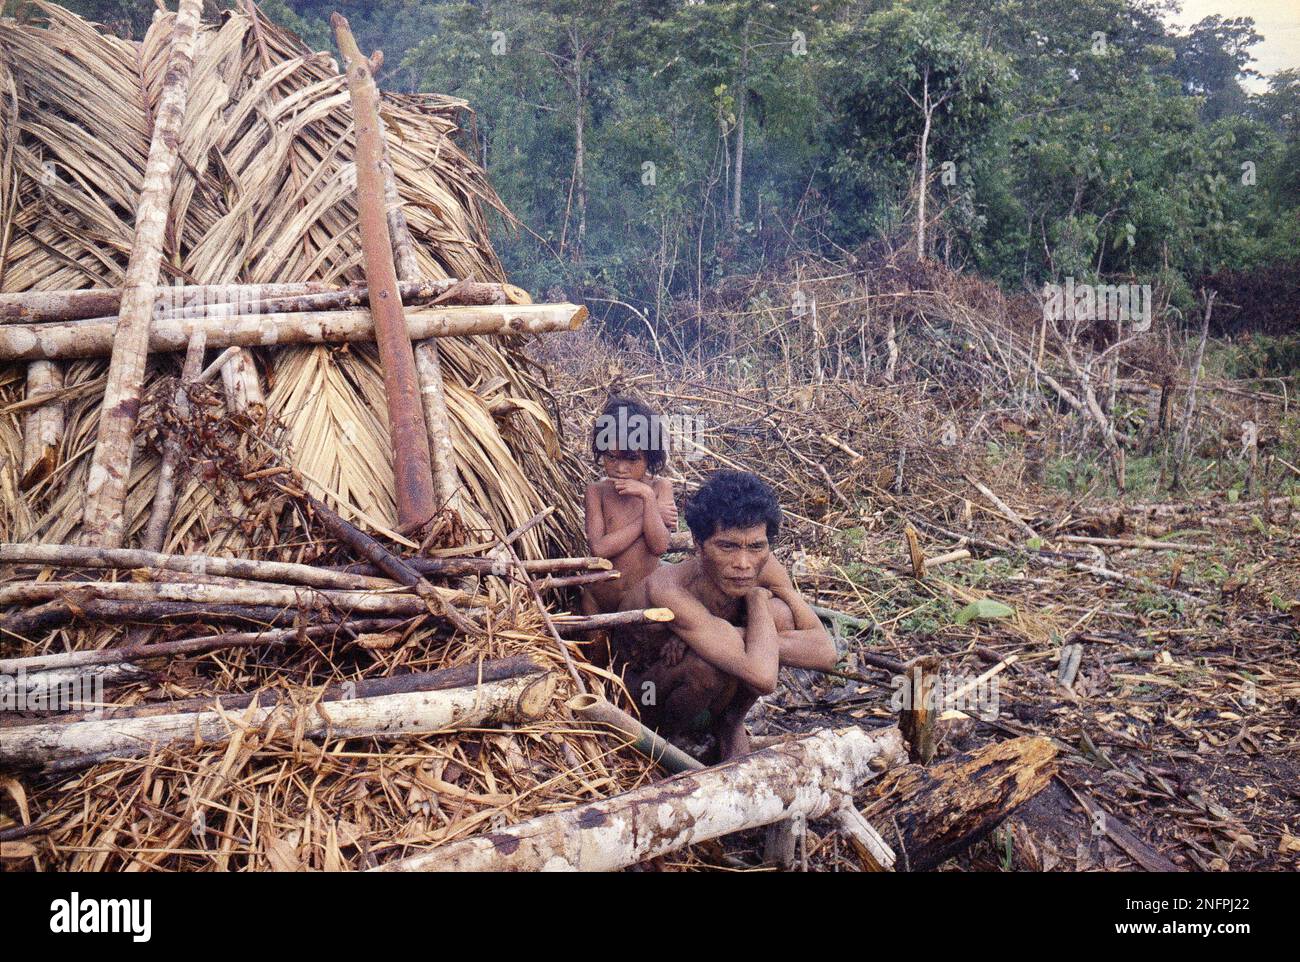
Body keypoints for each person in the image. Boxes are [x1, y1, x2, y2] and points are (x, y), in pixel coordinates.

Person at [613, 469, 837, 761]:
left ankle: (730, 722)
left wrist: (756, 604)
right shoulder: (669, 588)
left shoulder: (764, 567)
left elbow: (825, 652)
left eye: (756, 546)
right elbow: (763, 677)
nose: (743, 563)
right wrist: (755, 613)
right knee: (705, 667)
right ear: (698, 544)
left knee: (777, 616)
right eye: (727, 546)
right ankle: (661, 741)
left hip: (714, 674)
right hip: (639, 694)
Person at [582, 396, 678, 616]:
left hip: (642, 601)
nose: (621, 469)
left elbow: (659, 546)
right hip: (599, 600)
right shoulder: (596, 491)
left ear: (649, 458)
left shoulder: (660, 488)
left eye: (632, 460)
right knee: (598, 649)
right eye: (612, 458)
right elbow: (599, 549)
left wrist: (647, 497)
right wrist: (647, 515)